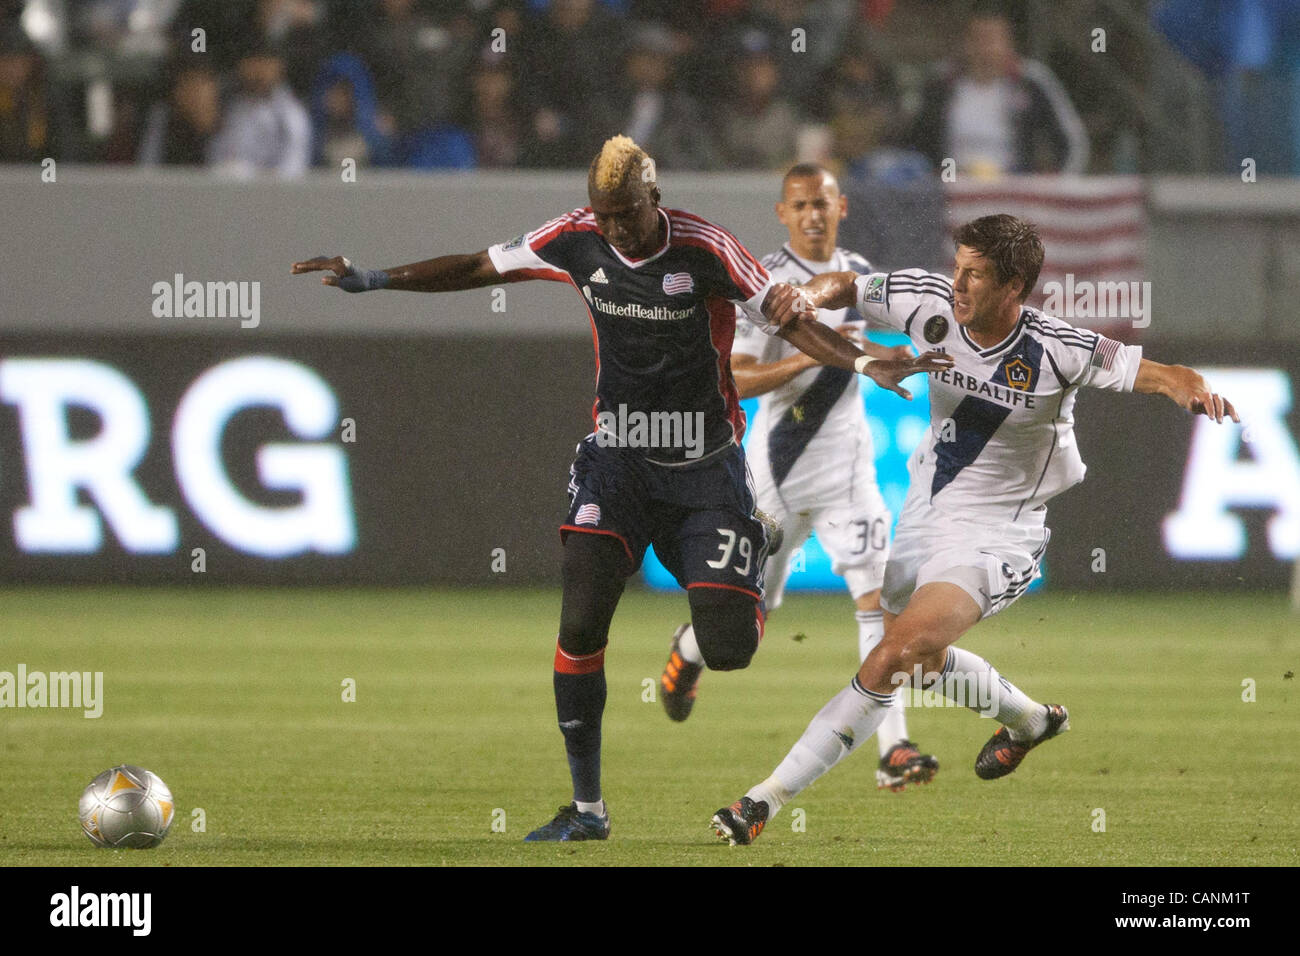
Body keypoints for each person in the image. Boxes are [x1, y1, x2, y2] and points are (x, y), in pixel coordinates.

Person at [292, 135, 950, 842]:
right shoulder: (574, 237)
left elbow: (791, 321)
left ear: (653, 199)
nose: (614, 228)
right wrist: (377, 278)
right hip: (618, 462)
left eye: (626, 214)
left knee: (729, 647)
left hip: (705, 467)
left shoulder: (707, 248)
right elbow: (482, 265)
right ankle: (587, 810)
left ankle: (746, 564)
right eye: (604, 214)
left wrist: (865, 362)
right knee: (580, 623)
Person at [710, 213, 1237, 845]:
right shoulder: (927, 300)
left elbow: (1165, 374)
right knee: (920, 662)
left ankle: (762, 800)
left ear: (1014, 287)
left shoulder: (1058, 347)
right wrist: (806, 294)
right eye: (958, 267)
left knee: (892, 656)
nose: (957, 284)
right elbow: (847, 285)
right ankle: (1031, 721)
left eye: (975, 275)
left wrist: (1193, 390)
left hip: (1000, 533)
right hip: (926, 512)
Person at [659, 163, 939, 793]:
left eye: (823, 203)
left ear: (843, 208)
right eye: (802, 205)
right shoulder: (763, 283)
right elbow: (734, 377)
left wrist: (891, 353)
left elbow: (870, 339)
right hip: (777, 474)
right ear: (783, 214)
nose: (814, 214)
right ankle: (689, 648)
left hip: (851, 472)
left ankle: (894, 749)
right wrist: (814, 357)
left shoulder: (857, 273)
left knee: (879, 602)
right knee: (747, 614)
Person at [908, 7, 1089, 176]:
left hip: (1013, 187)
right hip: (953, 185)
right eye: (977, 39)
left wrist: (1061, 183)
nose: (984, 49)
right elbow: (914, 140)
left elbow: (1072, 141)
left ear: (1008, 43)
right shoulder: (940, 83)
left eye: (992, 40)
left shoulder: (1032, 81)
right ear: (965, 43)